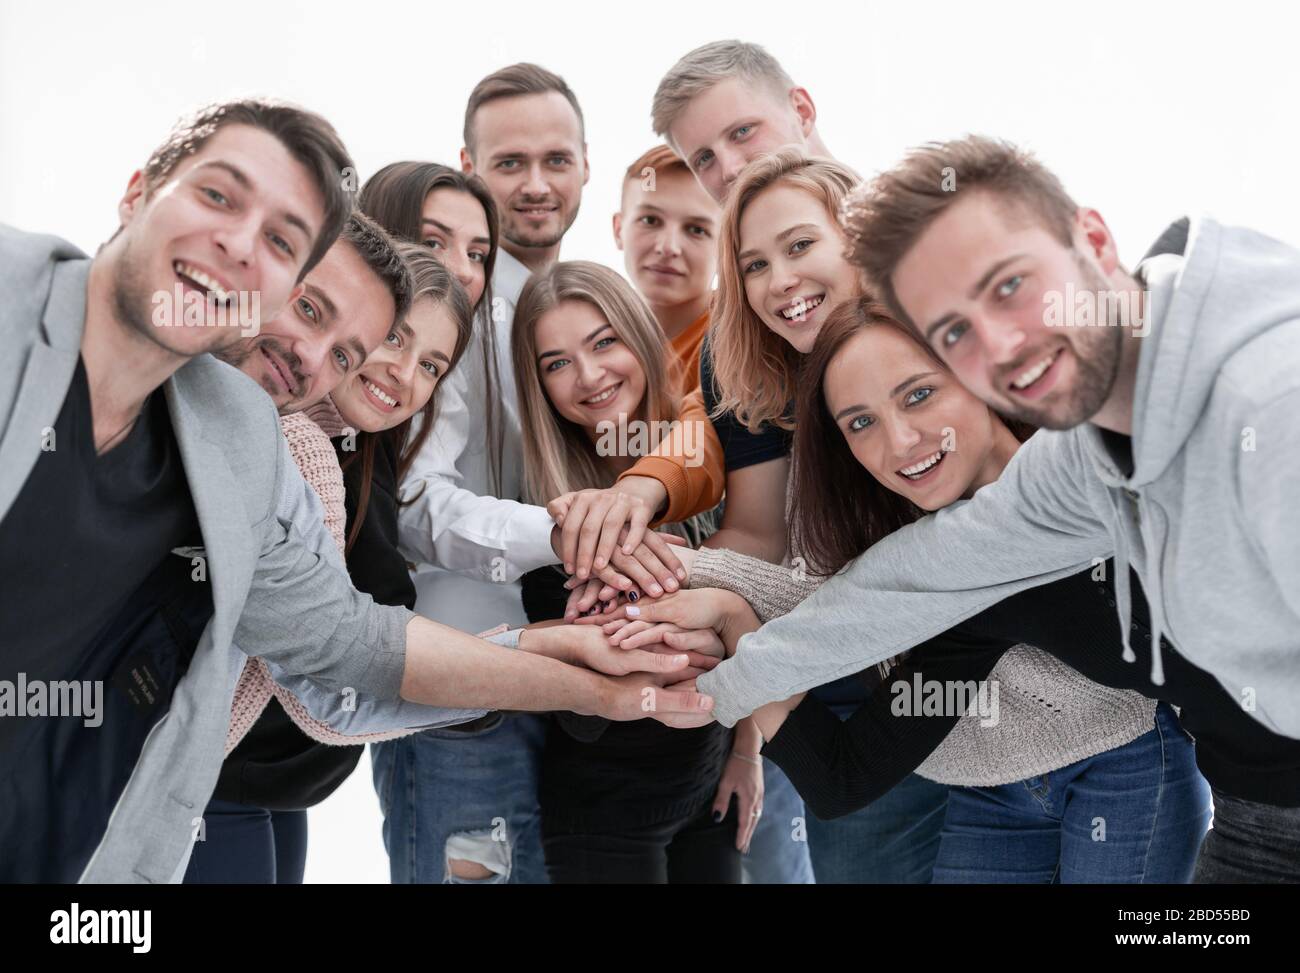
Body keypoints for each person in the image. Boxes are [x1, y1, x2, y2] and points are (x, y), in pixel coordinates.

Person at [0, 98, 711, 884]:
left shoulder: (247, 444)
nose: (312, 356)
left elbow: (346, 651)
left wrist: (579, 674)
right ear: (138, 191)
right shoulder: (14, 297)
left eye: (347, 352)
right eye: (218, 196)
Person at [689, 134, 1300, 882]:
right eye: (953, 332)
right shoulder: (1070, 463)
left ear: (1095, 239)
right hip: (1256, 810)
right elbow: (902, 584)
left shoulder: (1271, 402)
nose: (1001, 344)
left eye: (1009, 285)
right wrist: (712, 670)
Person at [609, 296, 1211, 882]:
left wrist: (702, 595)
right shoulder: (902, 549)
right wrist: (718, 608)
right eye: (861, 422)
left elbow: (843, 614)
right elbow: (840, 757)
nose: (899, 442)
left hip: (1129, 766)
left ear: (979, 375)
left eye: (919, 395)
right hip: (991, 790)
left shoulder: (1084, 476)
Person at [186, 211, 414, 883]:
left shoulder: (304, 454)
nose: (313, 357)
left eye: (345, 353)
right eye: (309, 308)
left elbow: (328, 654)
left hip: (216, 787)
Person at [512, 260, 746, 883]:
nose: (589, 376)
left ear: (640, 336)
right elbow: (580, 712)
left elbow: (769, 621)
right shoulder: (544, 516)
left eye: (604, 342)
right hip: (603, 816)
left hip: (710, 792)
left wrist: (747, 751)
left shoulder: (710, 460)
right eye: (556, 363)